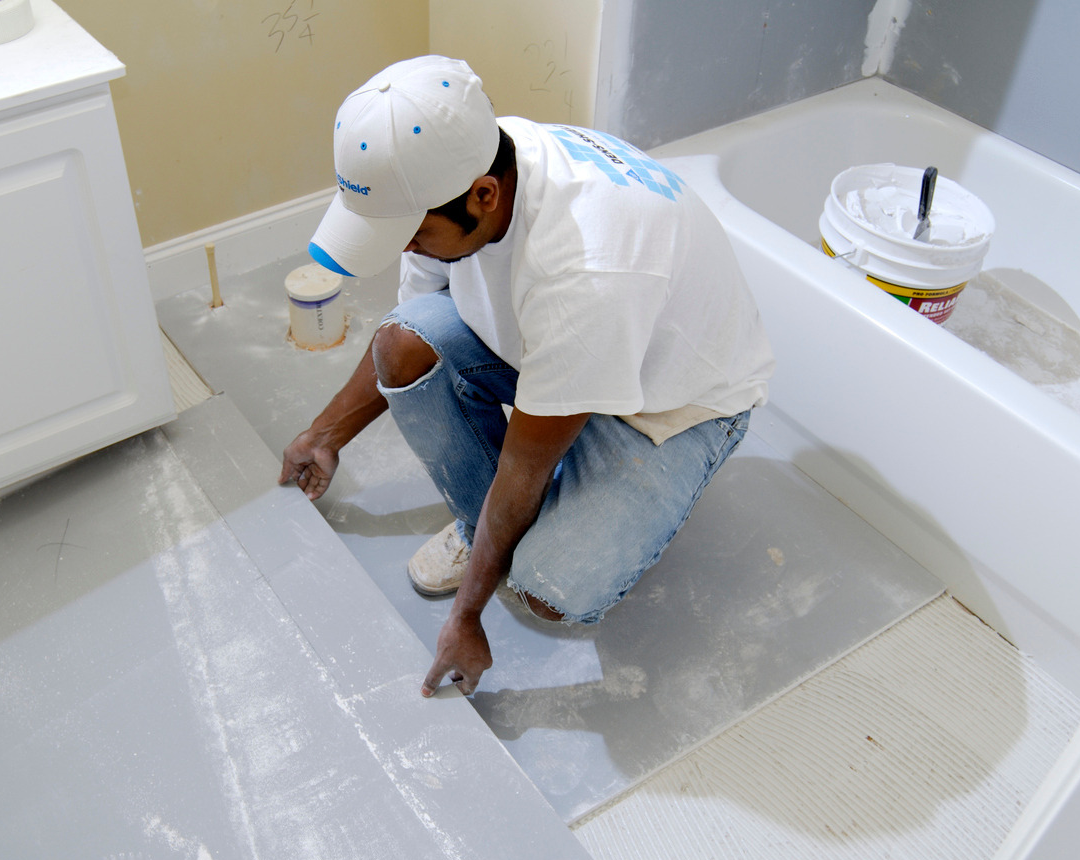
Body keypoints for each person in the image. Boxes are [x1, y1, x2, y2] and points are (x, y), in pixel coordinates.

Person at [279, 55, 774, 699]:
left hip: (672, 404)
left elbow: (523, 468)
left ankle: (543, 528)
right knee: (405, 343)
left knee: (548, 591)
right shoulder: (464, 155)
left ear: (484, 197)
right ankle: (490, 528)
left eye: (410, 234)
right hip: (577, 346)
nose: (403, 248)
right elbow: (412, 319)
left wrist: (466, 617)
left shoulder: (586, 271)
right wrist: (325, 433)